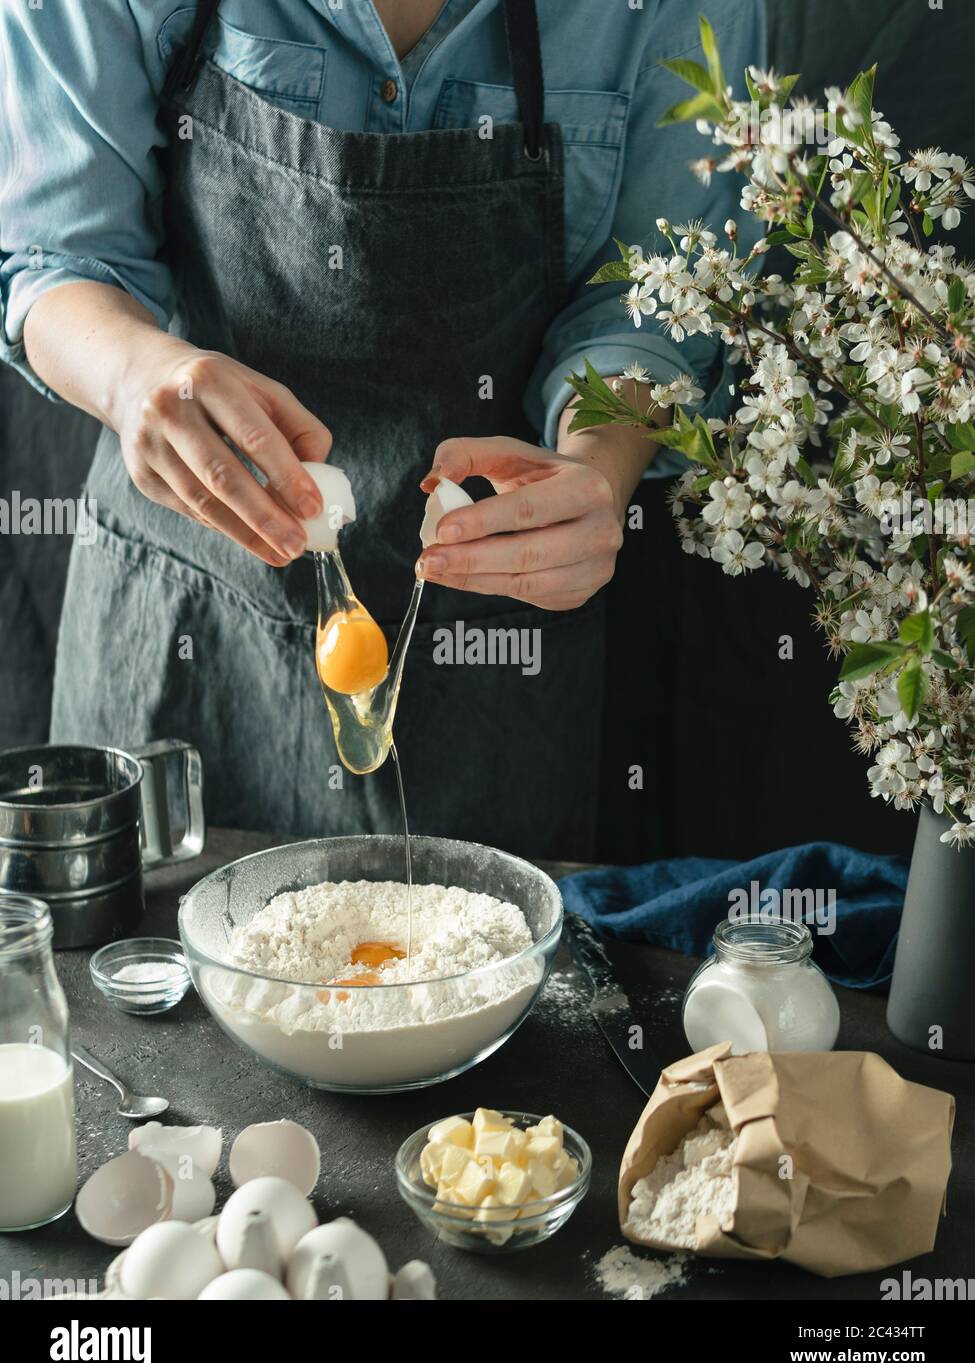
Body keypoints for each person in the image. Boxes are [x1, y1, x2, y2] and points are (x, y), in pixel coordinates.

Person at [0, 0, 765, 859]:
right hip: (184, 606)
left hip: (494, 647)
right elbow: (57, 256)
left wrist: (596, 468)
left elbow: (654, 304)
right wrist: (134, 373)